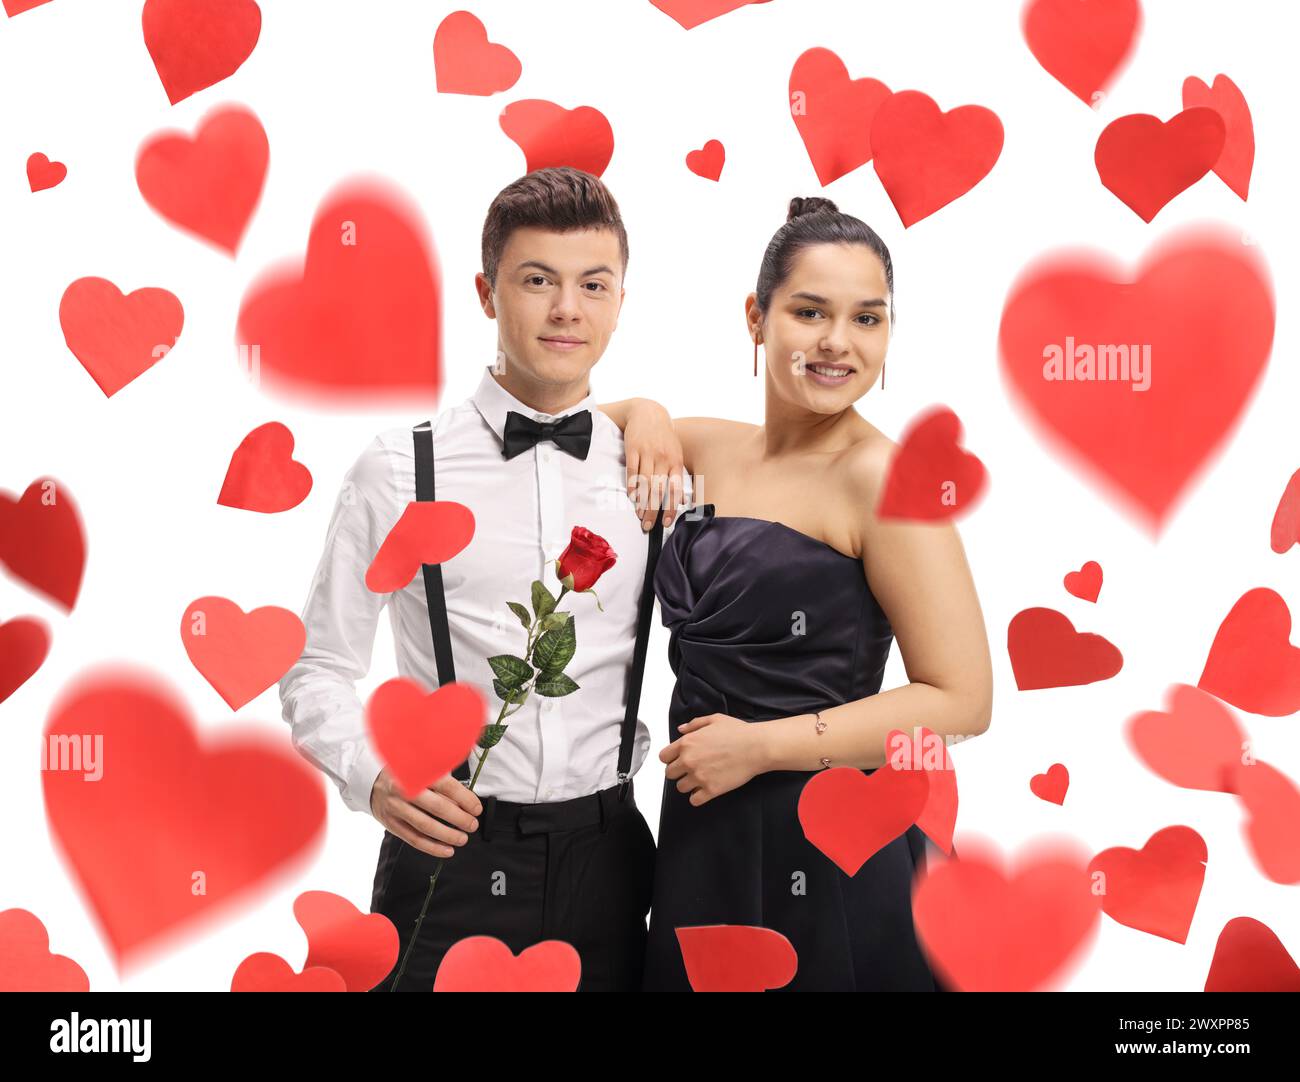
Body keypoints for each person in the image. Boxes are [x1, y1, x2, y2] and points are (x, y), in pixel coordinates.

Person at [278, 166, 690, 991]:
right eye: (537, 280)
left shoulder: (656, 468)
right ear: (486, 291)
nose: (566, 307)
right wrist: (372, 773)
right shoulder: (399, 468)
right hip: (447, 858)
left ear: (619, 299)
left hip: (611, 860)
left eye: (592, 284)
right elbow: (316, 665)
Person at [606, 196, 994, 991]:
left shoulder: (883, 479)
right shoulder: (709, 447)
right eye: (810, 311)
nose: (838, 343)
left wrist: (760, 747)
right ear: (757, 316)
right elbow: (575, 426)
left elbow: (962, 702)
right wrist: (645, 411)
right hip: (703, 823)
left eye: (867, 319)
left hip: (829, 837)